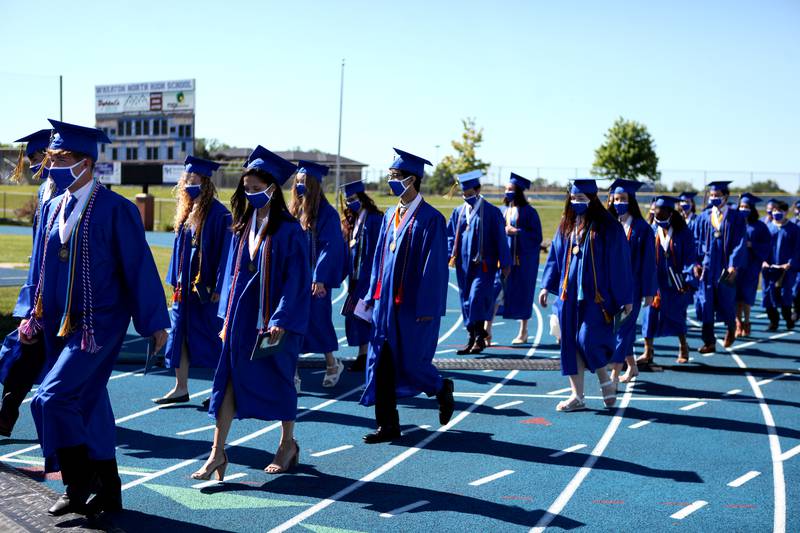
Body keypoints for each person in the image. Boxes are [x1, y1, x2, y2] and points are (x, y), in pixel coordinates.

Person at [22, 120, 169, 516]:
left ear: (87, 162)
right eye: (51, 158)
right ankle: (111, 489)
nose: (52, 166)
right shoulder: (53, 207)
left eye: (62, 159)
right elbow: (39, 266)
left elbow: (138, 266)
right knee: (89, 403)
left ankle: (77, 482)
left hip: (96, 326)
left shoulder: (115, 209)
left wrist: (155, 321)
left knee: (51, 398)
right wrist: (30, 314)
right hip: (57, 322)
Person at [193, 146, 310, 480]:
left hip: (276, 324)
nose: (251, 194)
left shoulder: (290, 232)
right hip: (242, 320)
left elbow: (296, 282)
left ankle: (287, 443)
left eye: (258, 189)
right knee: (227, 381)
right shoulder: (243, 226)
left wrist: (281, 319)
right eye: (247, 188)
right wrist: (226, 318)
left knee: (281, 380)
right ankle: (217, 453)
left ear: (273, 188)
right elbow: (232, 275)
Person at [359, 148, 454, 443]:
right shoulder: (389, 215)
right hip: (385, 304)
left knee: (412, 362)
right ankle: (388, 425)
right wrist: (372, 295)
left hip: (413, 307)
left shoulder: (431, 219)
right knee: (381, 362)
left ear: (412, 180)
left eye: (396, 176)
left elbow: (434, 268)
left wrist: (427, 306)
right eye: (390, 175)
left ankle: (441, 387)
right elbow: (378, 259)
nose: (391, 181)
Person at [539, 179, 633, 412]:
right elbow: (554, 257)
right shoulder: (566, 224)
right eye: (574, 198)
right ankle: (577, 395)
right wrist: (546, 286)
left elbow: (620, 264)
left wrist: (625, 297)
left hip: (597, 297)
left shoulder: (608, 227)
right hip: (567, 295)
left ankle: (604, 380)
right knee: (569, 343)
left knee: (587, 340)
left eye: (582, 198)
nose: (577, 202)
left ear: (593, 199)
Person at [154, 156, 232, 404]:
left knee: (211, 338)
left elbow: (226, 256)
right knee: (180, 336)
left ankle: (219, 391)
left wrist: (220, 287)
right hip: (183, 289)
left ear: (206, 183)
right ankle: (180, 387)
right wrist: (174, 280)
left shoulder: (221, 215)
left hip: (207, 291)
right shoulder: (186, 213)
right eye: (187, 180)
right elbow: (179, 252)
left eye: (194, 180)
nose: (189, 184)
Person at [0, 128, 60, 437]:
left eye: (38, 157)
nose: (34, 164)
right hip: (36, 289)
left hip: (59, 292)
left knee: (37, 353)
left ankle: (10, 410)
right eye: (33, 158)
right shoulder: (43, 192)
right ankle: (8, 410)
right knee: (22, 349)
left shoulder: (66, 191)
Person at [289, 160, 347, 388]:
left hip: (315, 281)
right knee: (290, 323)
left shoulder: (327, 214)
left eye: (304, 182)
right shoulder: (294, 210)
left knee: (318, 322)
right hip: (294, 279)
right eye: (298, 182)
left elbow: (330, 247)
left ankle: (332, 364)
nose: (300, 186)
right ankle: (291, 371)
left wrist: (320, 277)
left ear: (314, 185)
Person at [447, 170, 511, 354]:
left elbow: (500, 238)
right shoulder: (458, 212)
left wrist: (505, 262)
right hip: (462, 265)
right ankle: (474, 337)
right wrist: (449, 254)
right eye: (464, 194)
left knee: (476, 298)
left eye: (470, 194)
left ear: (478, 190)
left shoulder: (491, 212)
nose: (467, 197)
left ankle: (478, 335)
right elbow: (450, 236)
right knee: (466, 300)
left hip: (484, 264)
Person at [605, 179, 657, 383]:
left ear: (631, 200)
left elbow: (649, 263)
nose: (618, 202)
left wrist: (650, 291)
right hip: (610, 288)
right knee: (617, 328)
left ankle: (614, 374)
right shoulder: (609, 226)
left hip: (632, 289)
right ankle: (633, 367)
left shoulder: (643, 229)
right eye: (616, 199)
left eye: (623, 199)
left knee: (623, 329)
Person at [639, 197, 697, 364]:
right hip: (656, 282)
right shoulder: (651, 230)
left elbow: (689, 256)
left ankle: (683, 346)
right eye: (655, 211)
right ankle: (647, 351)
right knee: (649, 315)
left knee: (677, 315)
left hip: (676, 281)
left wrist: (688, 277)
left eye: (661, 211)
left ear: (670, 213)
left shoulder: (683, 232)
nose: (657, 213)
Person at [692, 181, 748, 353]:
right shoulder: (704, 217)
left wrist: (733, 265)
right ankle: (709, 342)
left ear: (726, 196)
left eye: (717, 195)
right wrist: (696, 263)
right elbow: (695, 241)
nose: (714, 198)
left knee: (726, 302)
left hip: (725, 269)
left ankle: (731, 328)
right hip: (708, 269)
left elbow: (740, 242)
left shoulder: (736, 217)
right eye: (712, 195)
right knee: (706, 302)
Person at [488, 172, 543, 345]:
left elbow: (537, 237)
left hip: (522, 262)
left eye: (510, 189)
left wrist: (517, 232)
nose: (507, 192)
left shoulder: (529, 212)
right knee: (494, 293)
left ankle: (523, 331)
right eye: (506, 189)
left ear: (518, 191)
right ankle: (486, 331)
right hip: (502, 261)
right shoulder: (501, 211)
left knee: (523, 295)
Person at [339, 180, 383, 372]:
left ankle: (365, 355)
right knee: (355, 316)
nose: (350, 203)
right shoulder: (354, 220)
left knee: (361, 316)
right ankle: (364, 354)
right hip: (356, 278)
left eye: (354, 199)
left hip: (369, 277)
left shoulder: (374, 219)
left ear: (363, 198)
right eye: (348, 200)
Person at [734, 193, 770, 337]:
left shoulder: (760, 226)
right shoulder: (735, 224)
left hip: (751, 266)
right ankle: (738, 323)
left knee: (746, 297)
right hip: (736, 265)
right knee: (736, 297)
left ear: (752, 208)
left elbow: (767, 245)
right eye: (741, 206)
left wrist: (752, 244)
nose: (743, 209)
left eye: (746, 207)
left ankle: (747, 322)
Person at [762, 200, 800, 331]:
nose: (777, 213)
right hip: (770, 268)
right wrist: (763, 261)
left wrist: (790, 263)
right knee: (768, 294)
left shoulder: (794, 229)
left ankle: (788, 318)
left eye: (780, 211)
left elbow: (797, 249)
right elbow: (762, 247)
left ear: (786, 212)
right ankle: (773, 321)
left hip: (787, 269)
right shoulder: (767, 228)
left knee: (785, 294)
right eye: (774, 211)